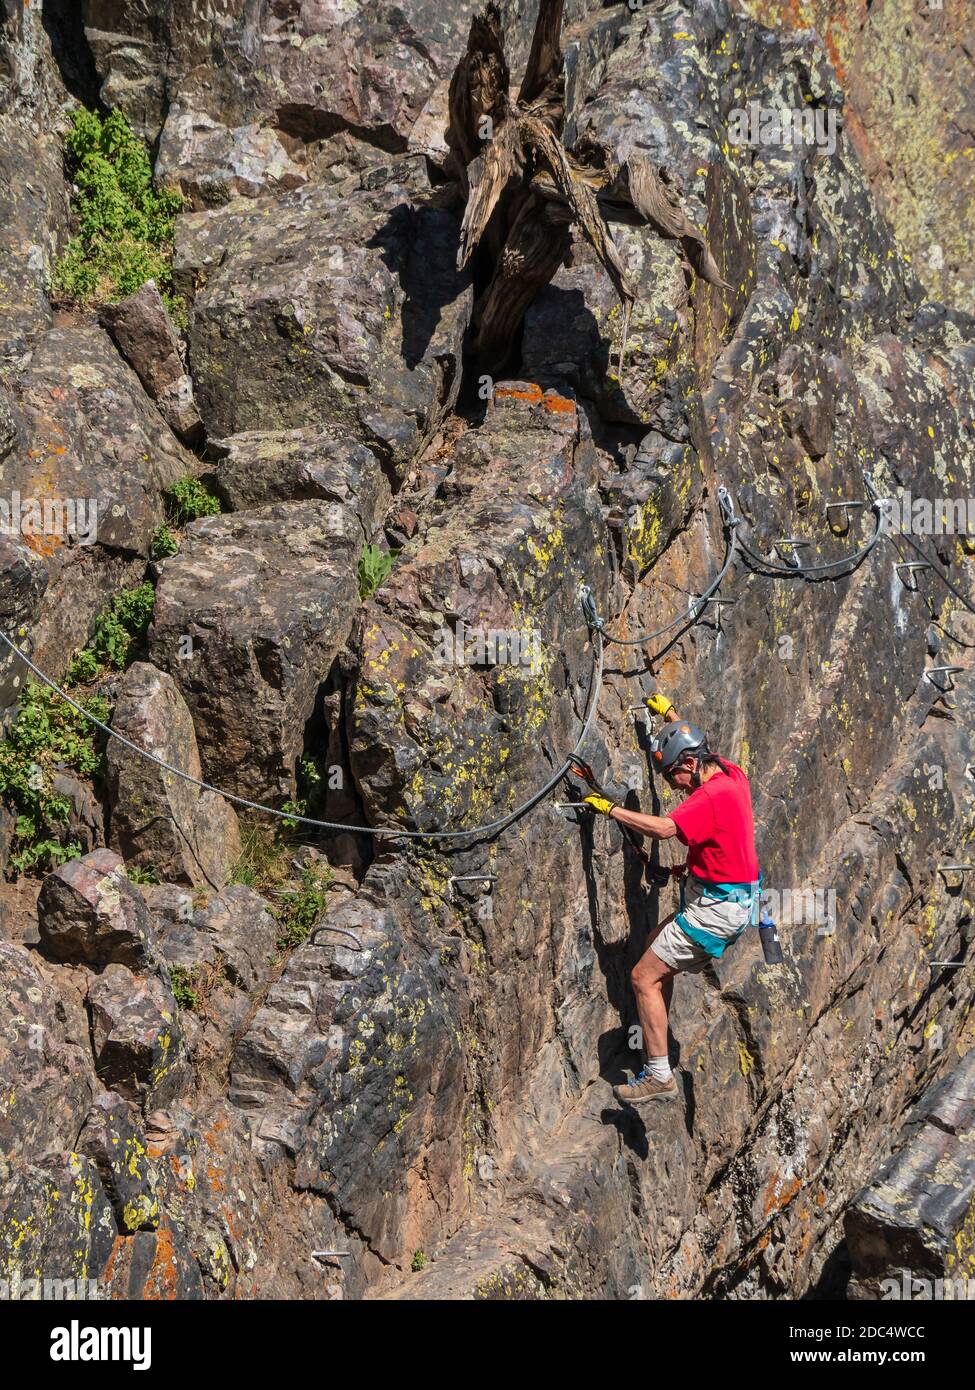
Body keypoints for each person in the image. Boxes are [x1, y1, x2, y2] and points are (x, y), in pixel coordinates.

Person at [583, 692, 759, 1106]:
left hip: (714, 911)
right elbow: (695, 744)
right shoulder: (730, 774)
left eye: (673, 778)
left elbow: (663, 830)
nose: (674, 788)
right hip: (723, 899)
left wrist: (611, 811)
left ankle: (659, 1074)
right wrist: (670, 717)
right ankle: (653, 1042)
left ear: (690, 765)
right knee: (653, 955)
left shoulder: (709, 797)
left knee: (642, 976)